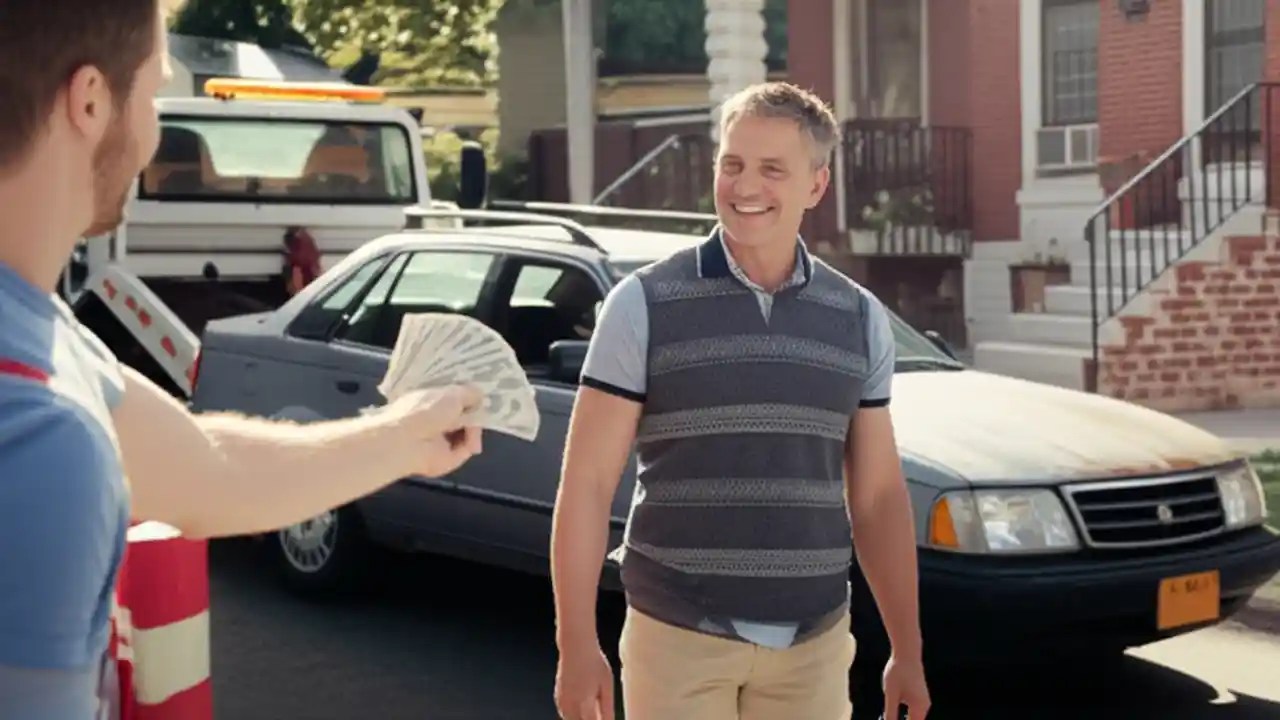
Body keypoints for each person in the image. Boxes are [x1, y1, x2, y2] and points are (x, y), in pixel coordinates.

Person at [0, 2, 484, 717]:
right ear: (92, 101)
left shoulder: (43, 342)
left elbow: (209, 470)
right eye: (155, 93)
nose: (154, 133)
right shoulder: (41, 432)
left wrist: (404, 435)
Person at [550, 82, 931, 720]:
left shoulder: (859, 318)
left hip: (814, 648)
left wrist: (907, 650)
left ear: (816, 185)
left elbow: (878, 499)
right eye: (733, 163)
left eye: (772, 169)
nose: (745, 185)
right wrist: (576, 643)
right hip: (677, 639)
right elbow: (586, 484)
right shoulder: (642, 304)